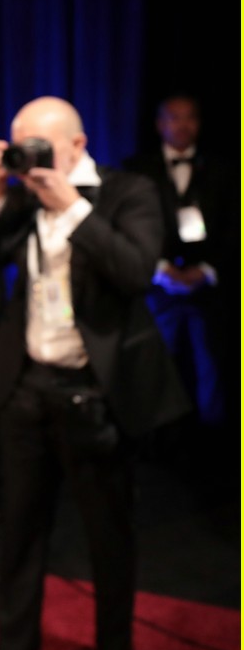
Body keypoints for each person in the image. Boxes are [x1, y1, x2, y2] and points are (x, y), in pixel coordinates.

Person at [0, 95, 189, 650]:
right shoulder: (20, 199)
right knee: (18, 538)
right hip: (26, 390)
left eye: (40, 147)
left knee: (108, 540)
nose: (30, 158)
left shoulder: (126, 192)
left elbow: (137, 272)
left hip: (96, 395)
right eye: (21, 146)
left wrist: (71, 209)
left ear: (78, 146)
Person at [124, 95, 229, 430]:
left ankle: (212, 440)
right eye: (174, 117)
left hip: (210, 288)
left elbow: (233, 228)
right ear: (160, 124)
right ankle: (160, 439)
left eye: (190, 118)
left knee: (212, 365)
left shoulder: (224, 169)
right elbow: (126, 224)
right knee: (157, 363)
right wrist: (160, 267)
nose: (182, 125)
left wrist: (208, 270)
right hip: (156, 285)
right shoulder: (137, 168)